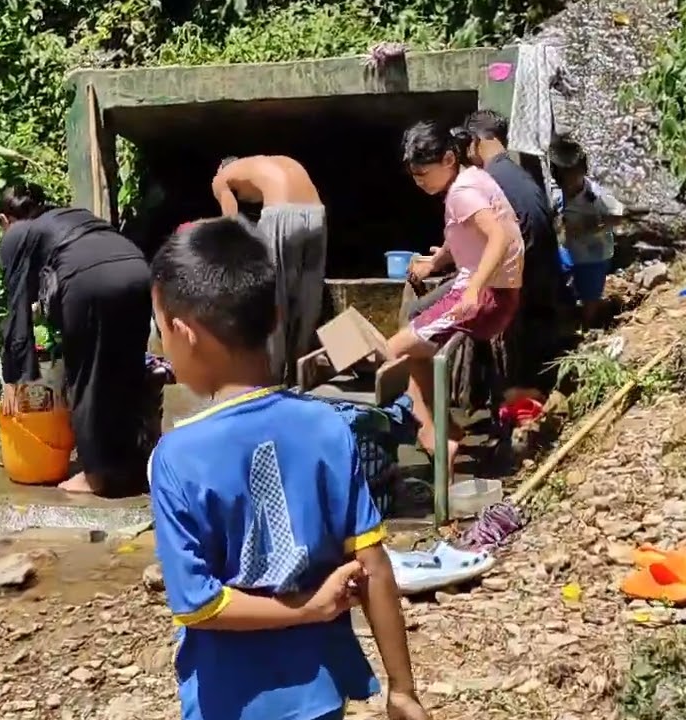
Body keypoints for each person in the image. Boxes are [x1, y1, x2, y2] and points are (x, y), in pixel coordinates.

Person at [148, 217, 429, 720]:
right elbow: (374, 565)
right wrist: (402, 687)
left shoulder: (176, 456)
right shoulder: (326, 426)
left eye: (160, 330)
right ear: (276, 317)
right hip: (319, 692)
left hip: (231, 702)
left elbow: (198, 604)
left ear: (184, 333)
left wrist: (308, 608)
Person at [0, 182, 153, 497]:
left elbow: (17, 308)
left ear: (4, 220)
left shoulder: (15, 235)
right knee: (128, 369)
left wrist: (13, 379)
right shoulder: (71, 216)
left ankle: (93, 474)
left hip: (90, 280)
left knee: (86, 375)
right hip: (138, 270)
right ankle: (136, 464)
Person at [394, 121, 524, 473]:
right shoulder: (470, 179)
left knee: (392, 352)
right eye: (414, 175)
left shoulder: (462, 192)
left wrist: (473, 288)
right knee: (415, 351)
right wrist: (436, 260)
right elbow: (466, 233)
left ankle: (436, 438)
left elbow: (499, 237)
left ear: (448, 158)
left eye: (423, 174)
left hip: (486, 295)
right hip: (493, 290)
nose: (419, 182)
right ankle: (444, 428)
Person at [461, 110, 573, 392]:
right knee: (536, 367)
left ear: (476, 141)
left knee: (523, 376)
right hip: (544, 279)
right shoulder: (517, 174)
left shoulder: (490, 181)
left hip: (524, 285)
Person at [211, 155, 327, 385]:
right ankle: (302, 376)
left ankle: (271, 380)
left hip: (282, 214)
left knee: (273, 298)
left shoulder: (221, 177)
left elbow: (232, 224)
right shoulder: (272, 162)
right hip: (317, 214)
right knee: (307, 298)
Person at [549, 136, 626, 325]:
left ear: (583, 171)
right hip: (569, 249)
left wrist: (588, 225)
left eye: (574, 177)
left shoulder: (596, 197)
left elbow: (618, 216)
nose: (569, 184)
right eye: (564, 178)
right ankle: (568, 317)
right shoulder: (557, 194)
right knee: (562, 282)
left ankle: (588, 324)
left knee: (590, 294)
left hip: (594, 255)